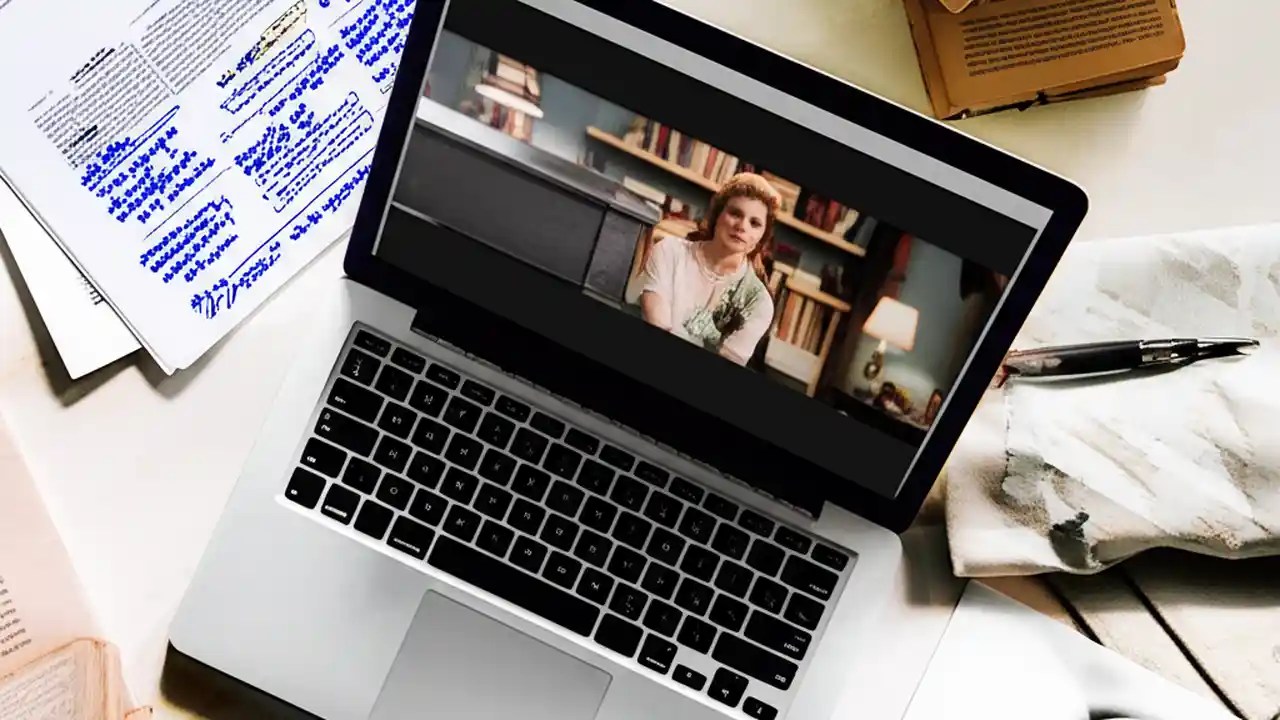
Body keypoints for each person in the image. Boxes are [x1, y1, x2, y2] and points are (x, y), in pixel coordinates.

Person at [638, 172, 779, 366]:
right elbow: (657, 327)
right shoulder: (670, 251)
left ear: (761, 238)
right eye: (735, 213)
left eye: (754, 223)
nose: (741, 226)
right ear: (717, 216)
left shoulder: (759, 302)